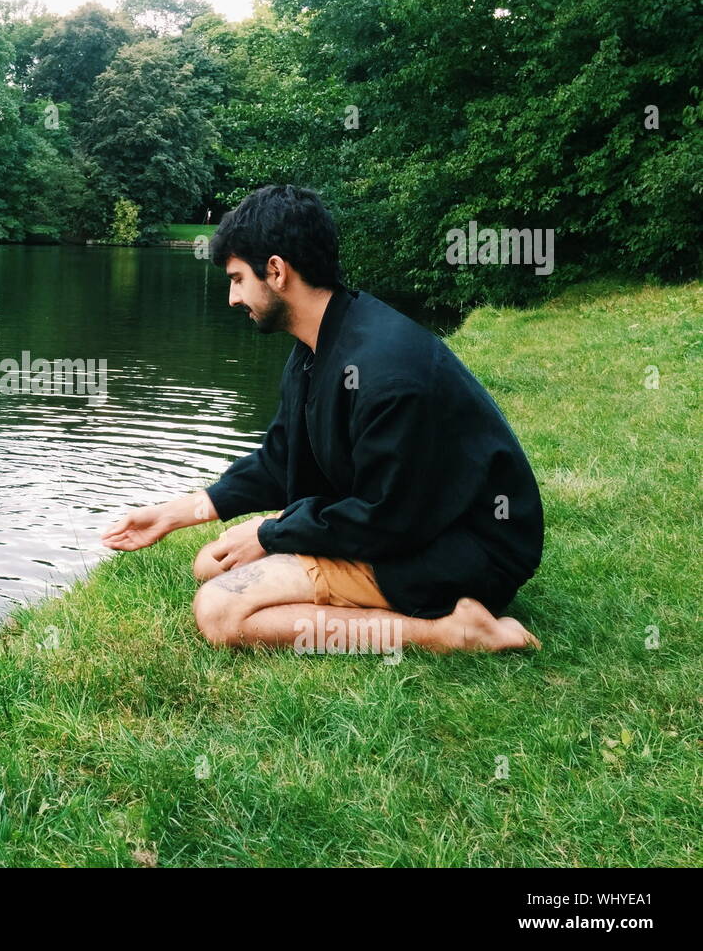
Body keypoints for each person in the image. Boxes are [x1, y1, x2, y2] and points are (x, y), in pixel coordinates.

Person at [101, 185, 543, 654]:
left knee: (219, 611)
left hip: (460, 551)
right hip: (402, 523)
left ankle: (451, 632)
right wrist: (173, 515)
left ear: (276, 271)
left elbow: (388, 519)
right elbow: (281, 458)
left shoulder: (386, 370)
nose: (232, 298)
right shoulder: (320, 343)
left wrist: (271, 532)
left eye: (236, 279)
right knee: (213, 562)